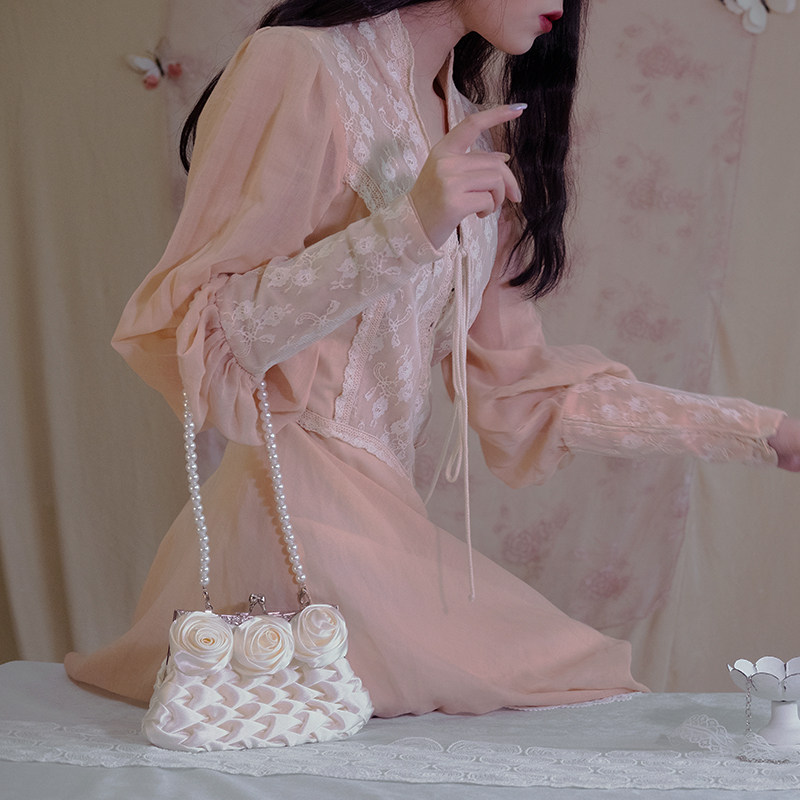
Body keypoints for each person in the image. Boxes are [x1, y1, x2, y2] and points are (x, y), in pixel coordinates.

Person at [66, 0, 800, 716]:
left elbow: (527, 391)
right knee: (570, 682)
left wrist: (762, 432)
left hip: (385, 520)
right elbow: (215, 327)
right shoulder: (297, 65)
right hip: (291, 515)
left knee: (582, 672)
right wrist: (409, 226)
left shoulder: (472, 139)